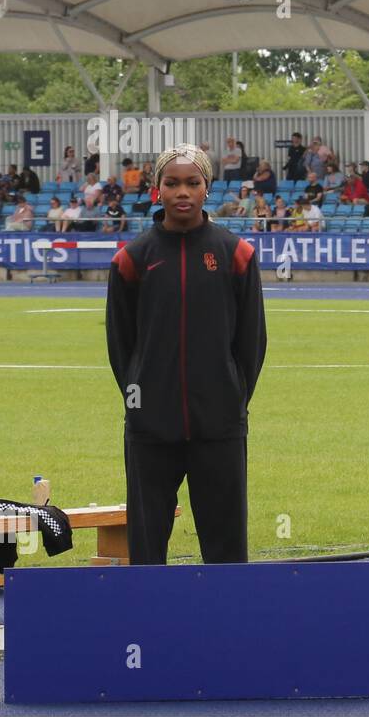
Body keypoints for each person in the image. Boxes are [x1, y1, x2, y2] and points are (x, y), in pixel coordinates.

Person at [106, 144, 266, 566]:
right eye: (172, 182)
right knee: (147, 542)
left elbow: (251, 342)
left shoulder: (237, 255)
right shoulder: (131, 259)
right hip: (150, 428)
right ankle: (149, 626)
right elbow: (121, 344)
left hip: (219, 424)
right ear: (157, 189)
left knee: (226, 543)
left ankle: (227, 627)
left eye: (192, 183)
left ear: (207, 188)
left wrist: (232, 396)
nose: (182, 191)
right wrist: (137, 397)